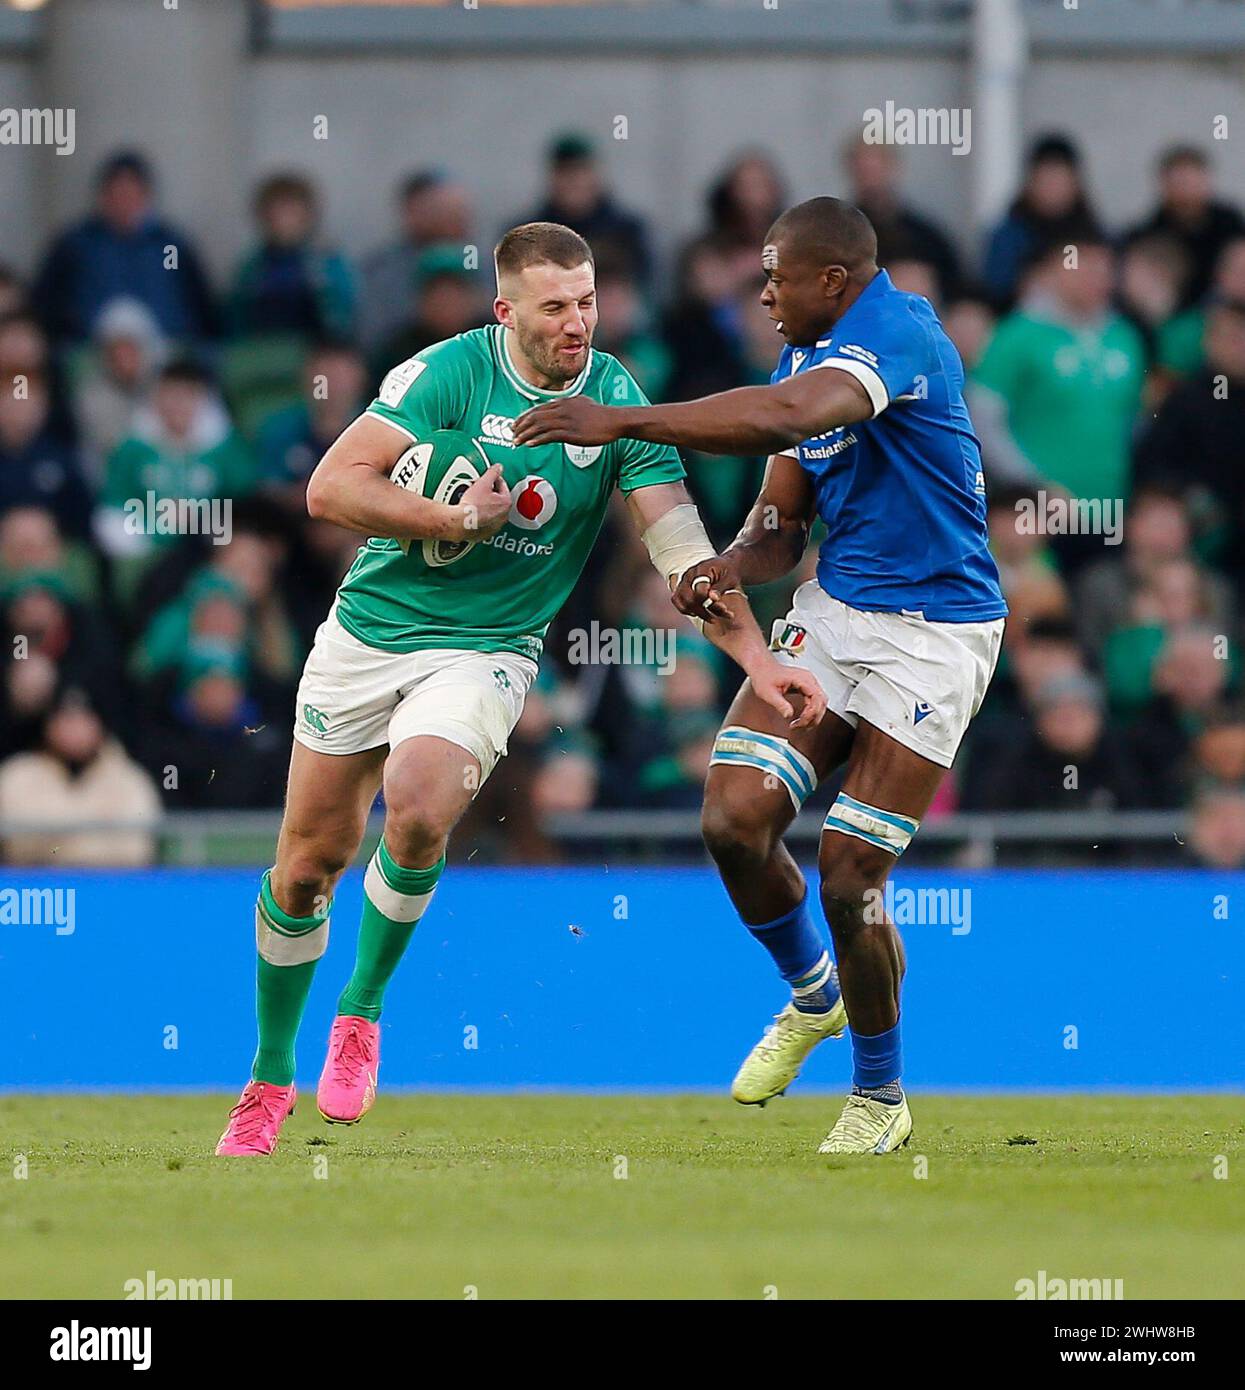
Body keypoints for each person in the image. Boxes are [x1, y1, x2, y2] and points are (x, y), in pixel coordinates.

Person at [214, 221, 826, 1157]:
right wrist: (450, 516)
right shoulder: (448, 374)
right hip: (368, 635)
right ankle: (265, 1076)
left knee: (418, 806)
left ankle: (361, 1012)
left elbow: (681, 551)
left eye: (586, 303)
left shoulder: (616, 402)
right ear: (506, 311)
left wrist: (758, 660)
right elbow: (331, 488)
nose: (578, 322)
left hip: (487, 649)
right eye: (555, 307)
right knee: (305, 867)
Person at [514, 197, 1008, 1155]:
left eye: (776, 276)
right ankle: (813, 995)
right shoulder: (797, 362)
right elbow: (781, 526)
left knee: (851, 874)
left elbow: (787, 415)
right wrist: (727, 565)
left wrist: (621, 418)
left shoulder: (897, 333)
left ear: (833, 280)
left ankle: (878, 1098)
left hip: (937, 634)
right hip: (835, 611)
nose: (764, 292)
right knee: (732, 820)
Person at [32, 150, 217, 346]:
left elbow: (192, 304)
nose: (124, 203)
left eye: (131, 194)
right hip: (90, 354)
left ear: (146, 196)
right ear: (103, 197)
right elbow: (47, 306)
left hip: (165, 354)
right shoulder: (74, 247)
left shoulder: (170, 246)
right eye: (116, 194)